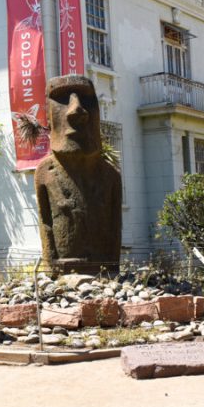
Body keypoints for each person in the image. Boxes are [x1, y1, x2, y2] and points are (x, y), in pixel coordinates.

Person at [34, 75, 121, 275]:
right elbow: (46, 223)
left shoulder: (110, 175)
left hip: (103, 269)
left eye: (86, 99)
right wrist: (50, 267)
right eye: (63, 100)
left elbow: (115, 229)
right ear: (48, 113)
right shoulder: (45, 172)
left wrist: (112, 269)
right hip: (62, 271)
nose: (76, 110)